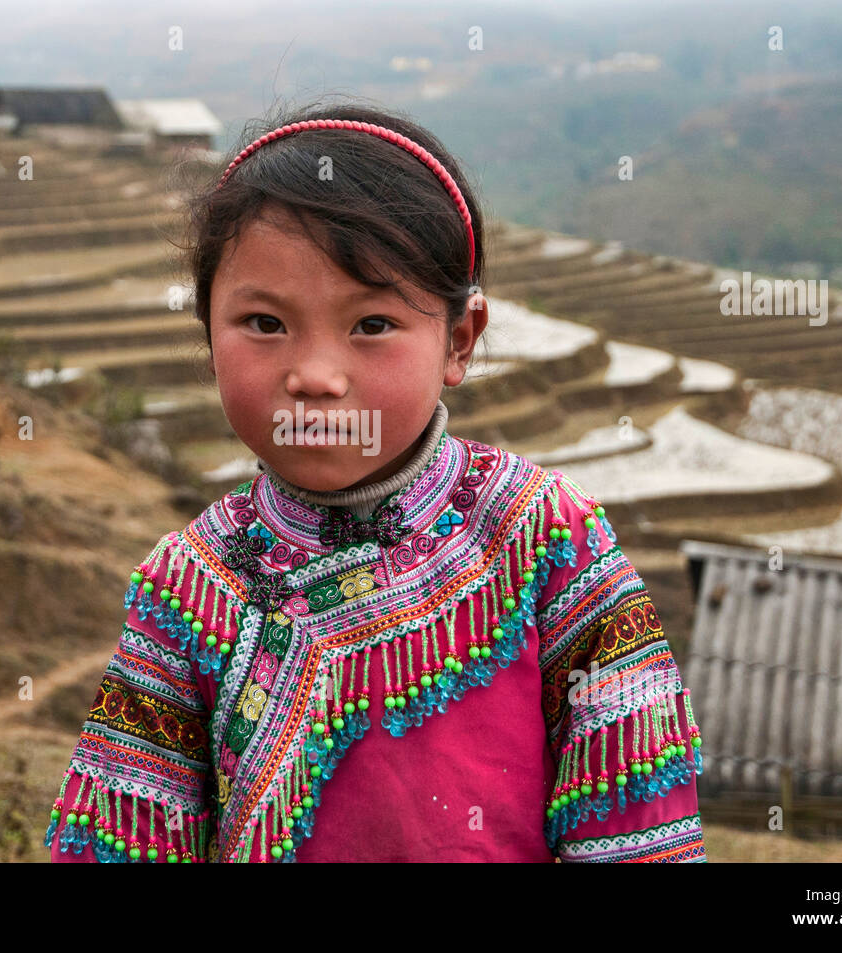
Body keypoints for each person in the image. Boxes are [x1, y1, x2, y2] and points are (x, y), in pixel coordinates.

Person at [45, 101, 706, 862]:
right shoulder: (187, 591)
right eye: (264, 323)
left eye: (371, 325)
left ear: (459, 340)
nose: (316, 377)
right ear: (207, 334)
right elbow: (122, 841)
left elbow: (638, 825)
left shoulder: (549, 542)